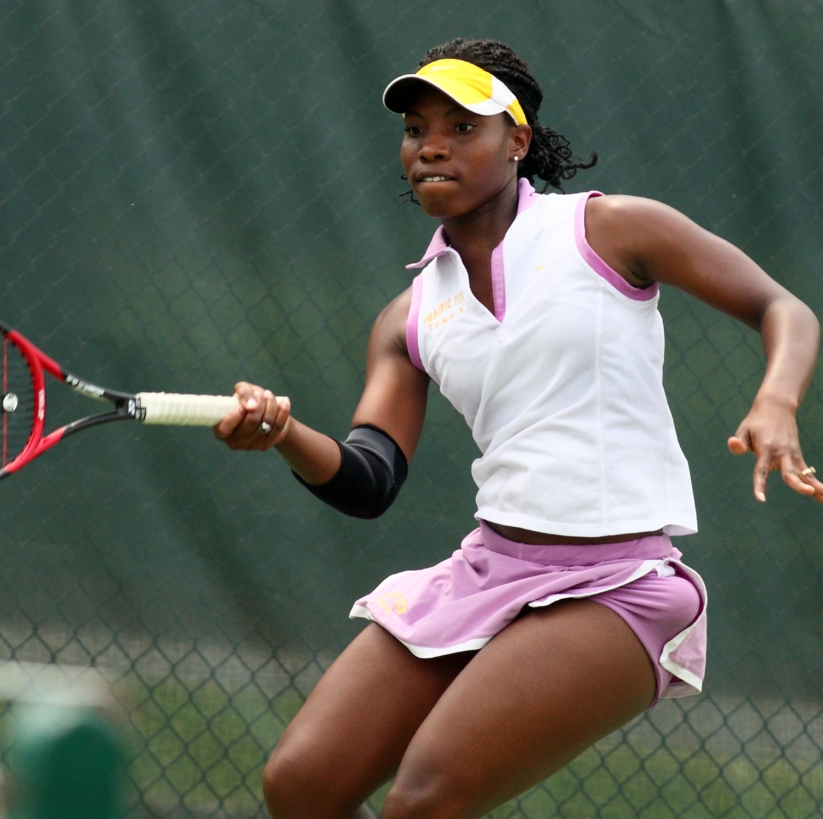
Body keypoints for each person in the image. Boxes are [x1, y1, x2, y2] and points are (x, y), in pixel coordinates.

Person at [213, 38, 822, 819]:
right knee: (301, 783)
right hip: (489, 569)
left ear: (518, 141)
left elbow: (784, 308)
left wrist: (775, 401)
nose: (431, 143)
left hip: (619, 586)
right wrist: (283, 434)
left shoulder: (610, 230)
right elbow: (369, 478)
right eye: (416, 128)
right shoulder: (407, 318)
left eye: (463, 126)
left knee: (422, 801)